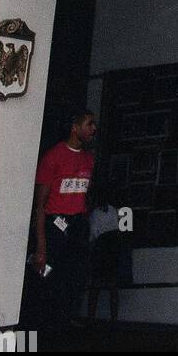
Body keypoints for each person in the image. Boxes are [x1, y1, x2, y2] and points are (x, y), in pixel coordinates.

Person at [32, 110, 97, 328]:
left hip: (77, 225)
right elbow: (40, 206)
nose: (93, 129)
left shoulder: (89, 159)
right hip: (55, 225)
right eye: (89, 124)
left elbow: (86, 195)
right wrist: (41, 246)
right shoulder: (53, 157)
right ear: (75, 128)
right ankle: (40, 324)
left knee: (74, 277)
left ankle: (65, 322)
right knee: (47, 275)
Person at [87, 171, 124, 326]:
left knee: (95, 285)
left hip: (101, 250)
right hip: (113, 249)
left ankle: (91, 318)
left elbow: (93, 235)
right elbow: (119, 230)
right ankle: (114, 319)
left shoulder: (96, 213)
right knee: (113, 287)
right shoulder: (115, 211)